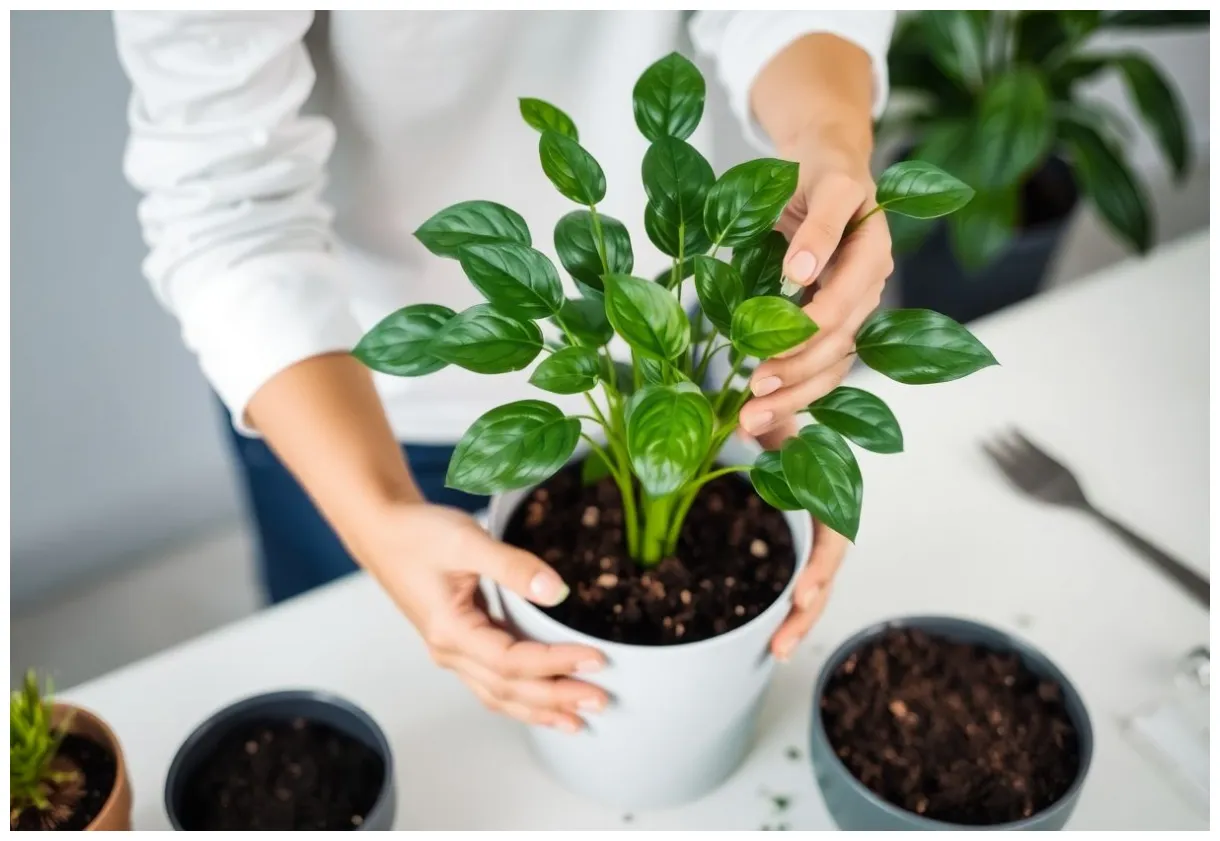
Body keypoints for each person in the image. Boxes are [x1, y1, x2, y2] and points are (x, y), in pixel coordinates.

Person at [112, 11, 896, 734]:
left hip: (696, 364)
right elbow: (223, 195)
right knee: (354, 718)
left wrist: (827, 136)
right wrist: (377, 513)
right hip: (350, 404)